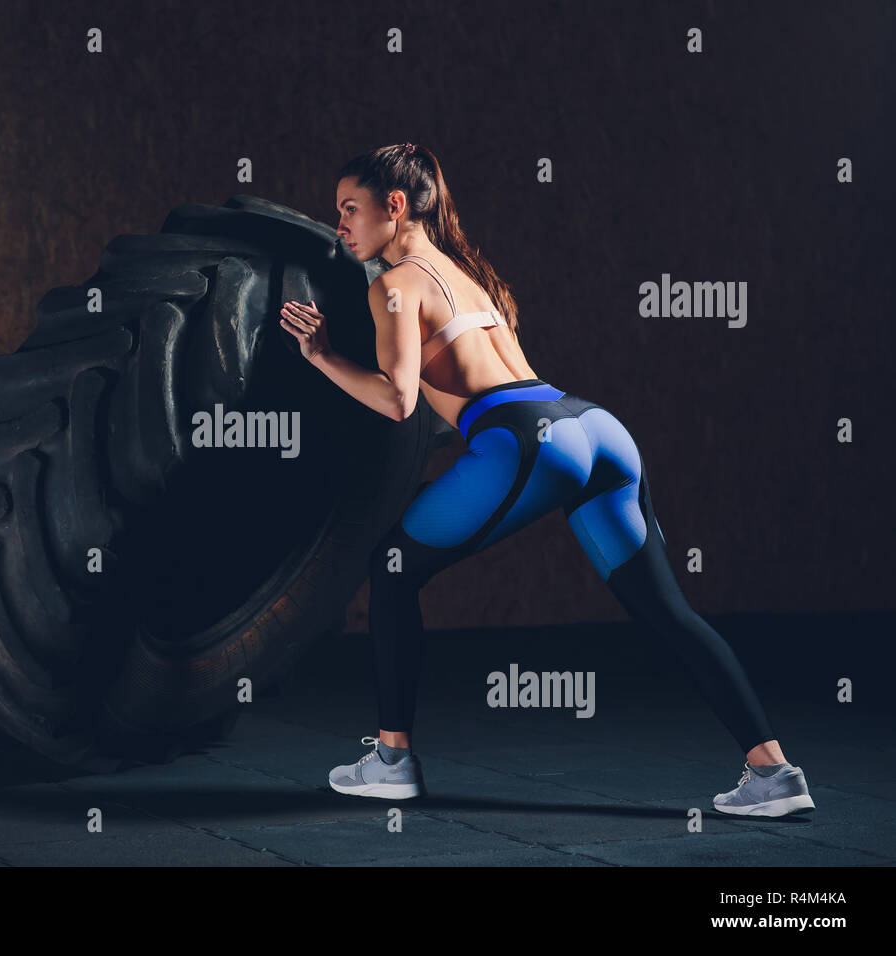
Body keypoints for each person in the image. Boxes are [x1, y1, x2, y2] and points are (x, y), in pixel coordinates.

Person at [278, 142, 814, 818]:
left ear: (396, 206)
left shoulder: (396, 284)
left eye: (350, 209)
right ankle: (774, 774)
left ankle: (390, 761)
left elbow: (397, 400)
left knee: (390, 570)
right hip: (594, 428)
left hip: (525, 440)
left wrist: (322, 354)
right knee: (668, 612)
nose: (340, 226)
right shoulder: (464, 273)